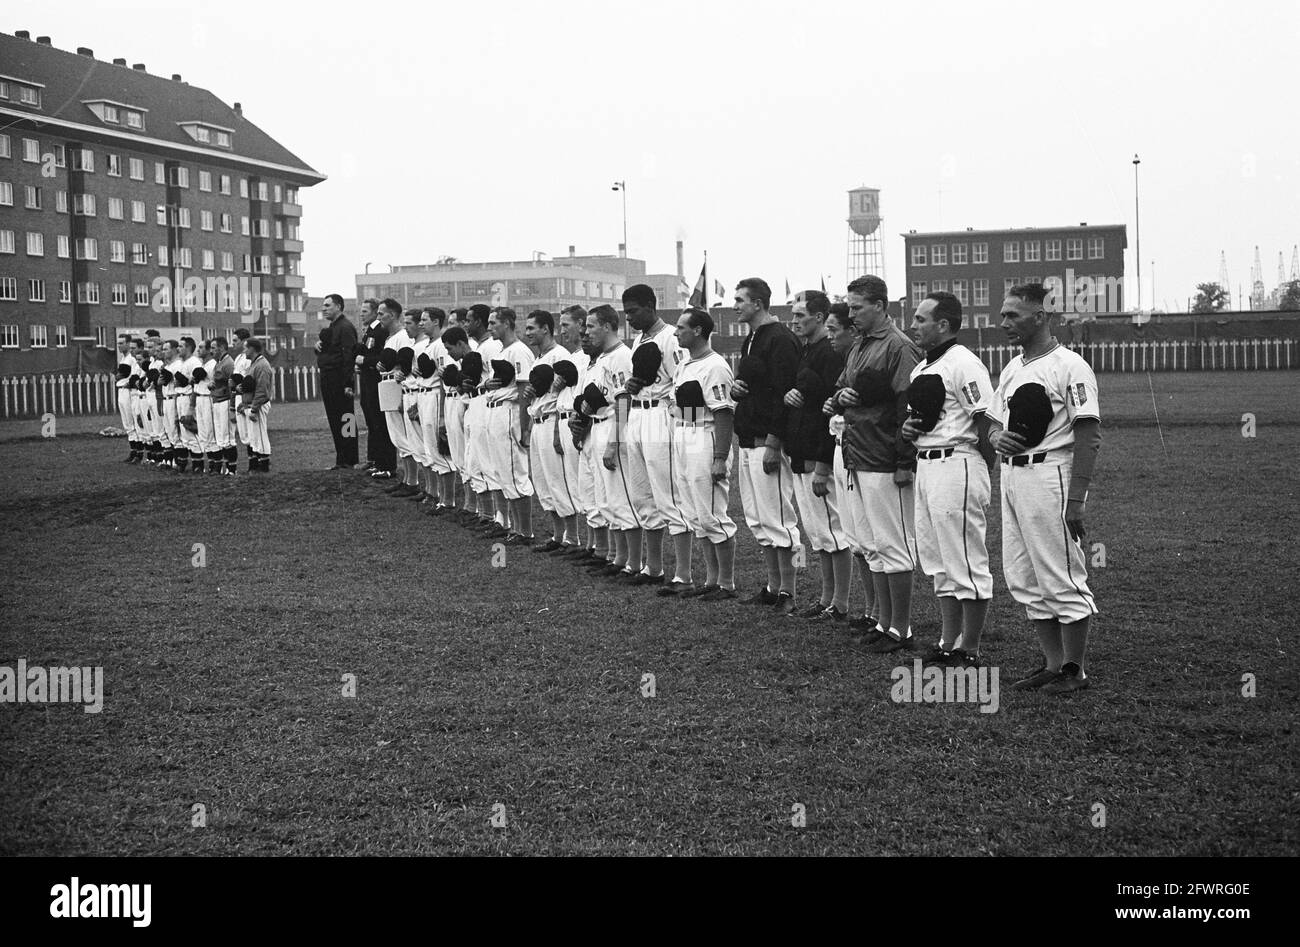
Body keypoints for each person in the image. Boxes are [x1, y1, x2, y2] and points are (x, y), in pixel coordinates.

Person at [991, 283, 1101, 695]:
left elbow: (1088, 435)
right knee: (1022, 573)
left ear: (1040, 316)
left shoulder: (1070, 365)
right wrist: (994, 437)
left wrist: (1077, 501)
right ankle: (1052, 664)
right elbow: (995, 422)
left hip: (1050, 473)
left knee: (1061, 573)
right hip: (1014, 476)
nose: (1004, 323)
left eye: (1013, 315)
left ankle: (1075, 669)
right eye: (1003, 315)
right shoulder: (1012, 368)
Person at [902, 292, 996, 666]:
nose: (914, 326)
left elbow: (985, 419)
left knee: (964, 558)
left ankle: (969, 647)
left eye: (922, 320)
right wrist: (910, 430)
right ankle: (947, 640)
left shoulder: (964, 363)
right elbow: (924, 418)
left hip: (957, 462)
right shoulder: (921, 369)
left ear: (943, 325)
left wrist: (980, 469)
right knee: (936, 558)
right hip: (926, 465)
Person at [829, 275, 922, 653]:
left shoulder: (899, 347)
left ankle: (902, 628)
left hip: (885, 458)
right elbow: (840, 389)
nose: (851, 314)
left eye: (857, 307)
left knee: (893, 544)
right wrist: (841, 395)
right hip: (857, 454)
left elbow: (908, 406)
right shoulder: (859, 345)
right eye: (848, 307)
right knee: (872, 544)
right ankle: (884, 622)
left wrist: (904, 461)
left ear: (880, 306)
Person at [731, 277, 802, 615]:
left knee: (778, 517)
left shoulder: (781, 339)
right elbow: (757, 386)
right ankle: (773, 586)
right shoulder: (753, 338)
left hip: (768, 441)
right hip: (748, 438)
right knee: (758, 518)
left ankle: (788, 589)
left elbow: (786, 395)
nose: (736, 306)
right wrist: (739, 390)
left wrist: (775, 442)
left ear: (758, 303)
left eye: (741, 300)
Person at [783, 291, 851, 622]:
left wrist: (824, 464)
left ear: (820, 318)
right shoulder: (807, 350)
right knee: (817, 532)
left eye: (800, 315)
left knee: (833, 530)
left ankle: (839, 602)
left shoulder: (829, 353)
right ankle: (827, 597)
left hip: (817, 451)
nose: (794, 320)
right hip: (800, 449)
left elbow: (832, 411)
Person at [666, 307, 739, 600]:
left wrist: (720, 457)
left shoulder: (716, 366)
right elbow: (683, 405)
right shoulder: (684, 365)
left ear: (697, 331)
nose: (676, 332)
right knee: (696, 514)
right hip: (685, 432)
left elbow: (723, 413)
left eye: (682, 328)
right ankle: (710, 580)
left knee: (712, 513)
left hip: (705, 436)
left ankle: (727, 583)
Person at [619, 284, 688, 587]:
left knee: (668, 495)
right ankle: (654, 567)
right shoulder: (638, 340)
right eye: (626, 313)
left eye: (633, 311)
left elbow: (683, 382)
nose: (629, 318)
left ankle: (683, 573)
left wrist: (687, 429)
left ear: (650, 306)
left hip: (661, 414)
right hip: (637, 414)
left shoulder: (671, 337)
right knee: (642, 495)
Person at [584, 304, 635, 577]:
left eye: (591, 325)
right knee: (607, 500)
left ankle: (631, 561)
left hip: (616, 428)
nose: (587, 331)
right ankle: (616, 556)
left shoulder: (622, 356)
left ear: (606, 326)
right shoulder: (602, 358)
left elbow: (625, 400)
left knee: (621, 497)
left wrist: (614, 442)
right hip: (598, 426)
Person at [522, 310, 574, 552]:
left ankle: (572, 538)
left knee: (558, 480)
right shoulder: (538, 357)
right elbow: (542, 393)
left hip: (554, 420)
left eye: (532, 328)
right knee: (543, 482)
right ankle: (557, 535)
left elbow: (563, 397)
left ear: (546, 328)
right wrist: (531, 395)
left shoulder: (560, 355)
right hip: (538, 422)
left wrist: (556, 432)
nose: (528, 333)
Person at [483, 307, 536, 545]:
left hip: (511, 413)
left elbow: (525, 391)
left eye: (494, 323)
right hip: (497, 410)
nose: (490, 327)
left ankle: (525, 531)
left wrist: (525, 428)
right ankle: (515, 527)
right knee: (503, 472)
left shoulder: (519, 351)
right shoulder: (505, 350)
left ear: (507, 323)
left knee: (516, 473)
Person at [317, 293, 359, 470]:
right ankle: (341, 459)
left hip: (340, 381)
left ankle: (349, 459)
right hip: (329, 380)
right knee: (335, 420)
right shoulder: (331, 328)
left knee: (346, 419)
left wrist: (348, 384)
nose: (324, 309)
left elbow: (349, 357)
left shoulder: (345, 327)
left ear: (339, 307)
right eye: (323, 306)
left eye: (328, 305)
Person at [240, 338, 274, 472]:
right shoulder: (254, 364)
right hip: (253, 404)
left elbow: (262, 390)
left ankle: (264, 465)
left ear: (252, 349)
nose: (244, 351)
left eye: (245, 348)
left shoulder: (262, 365)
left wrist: (254, 408)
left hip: (259, 405)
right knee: (255, 437)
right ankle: (260, 463)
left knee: (261, 435)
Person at [208, 337, 237, 476]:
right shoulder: (219, 363)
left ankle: (232, 469)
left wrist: (232, 408)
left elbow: (233, 386)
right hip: (217, 401)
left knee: (228, 437)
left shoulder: (228, 363)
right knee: (221, 437)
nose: (211, 350)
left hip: (225, 402)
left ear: (222, 348)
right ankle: (225, 468)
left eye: (213, 348)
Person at [115, 335, 143, 463]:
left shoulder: (132, 359)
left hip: (128, 390)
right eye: (118, 343)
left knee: (132, 422)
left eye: (122, 343)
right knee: (126, 423)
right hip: (121, 390)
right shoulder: (123, 358)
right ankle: (133, 451)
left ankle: (138, 452)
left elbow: (128, 376)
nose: (119, 345)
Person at [230, 328, 254, 471]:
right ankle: (251, 462)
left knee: (251, 431)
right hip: (238, 397)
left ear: (244, 341)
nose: (233, 344)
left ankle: (255, 463)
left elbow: (250, 380)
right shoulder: (238, 358)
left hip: (247, 397)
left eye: (235, 341)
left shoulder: (248, 359)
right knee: (244, 433)